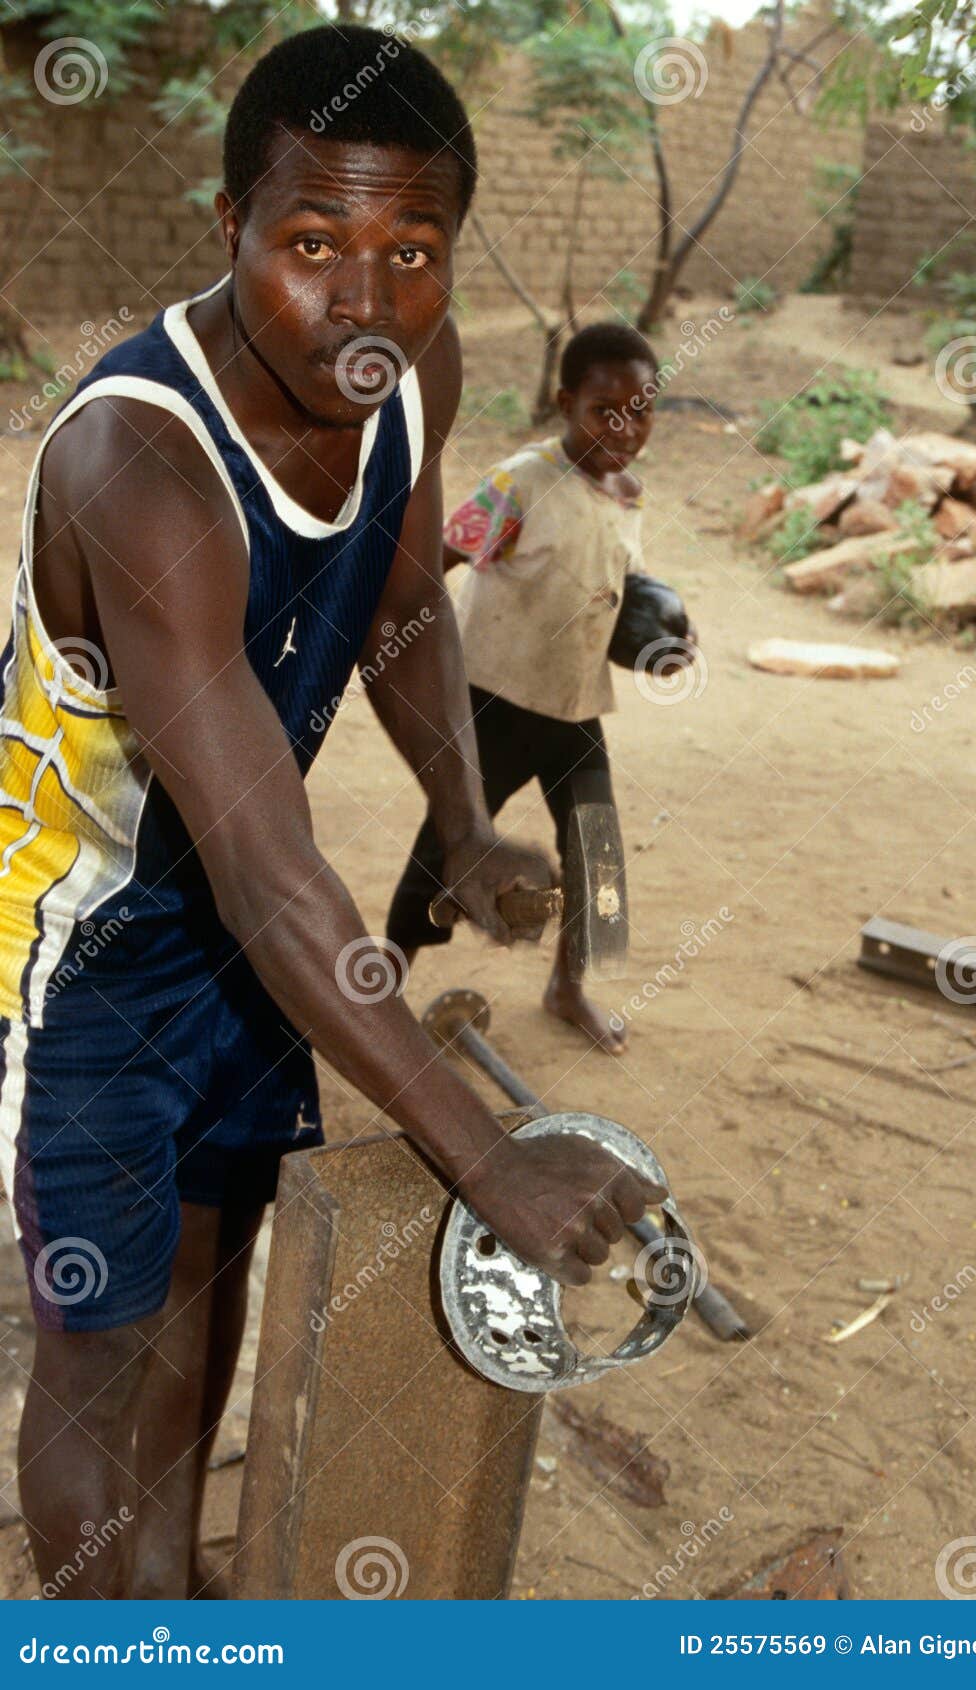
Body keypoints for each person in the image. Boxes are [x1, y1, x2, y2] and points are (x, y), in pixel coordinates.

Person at [0, 26, 663, 1600]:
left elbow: (399, 607)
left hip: (247, 921)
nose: (361, 300)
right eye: (310, 244)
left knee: (211, 1277)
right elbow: (263, 864)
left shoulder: (404, 375)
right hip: (74, 941)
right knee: (103, 1344)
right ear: (225, 223)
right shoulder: (137, 459)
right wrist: (486, 1157)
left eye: (409, 250)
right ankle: (114, 1631)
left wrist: (459, 815)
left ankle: (172, 1592)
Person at [387, 322, 694, 1052]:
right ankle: (384, 979)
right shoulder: (520, 482)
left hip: (574, 708)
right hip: (491, 702)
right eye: (603, 410)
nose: (624, 428)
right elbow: (433, 563)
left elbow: (621, 588)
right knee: (447, 847)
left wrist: (667, 638)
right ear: (565, 402)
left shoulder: (629, 495)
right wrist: (418, 668)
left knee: (600, 855)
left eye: (642, 409)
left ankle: (567, 986)